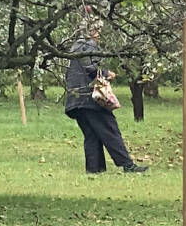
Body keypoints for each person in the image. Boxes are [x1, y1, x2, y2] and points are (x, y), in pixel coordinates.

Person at [64, 19, 149, 173]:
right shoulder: (88, 45)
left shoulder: (74, 47)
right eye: (98, 31)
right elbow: (91, 68)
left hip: (74, 100)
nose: (99, 35)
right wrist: (106, 73)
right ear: (91, 31)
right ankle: (127, 165)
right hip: (89, 98)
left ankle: (95, 169)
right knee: (110, 128)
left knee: (92, 134)